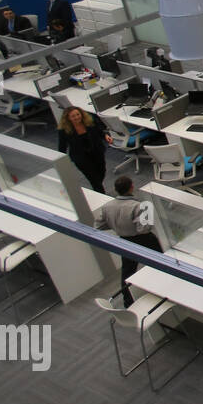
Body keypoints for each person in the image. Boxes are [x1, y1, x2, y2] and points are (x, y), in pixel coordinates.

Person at [94, 175, 162, 306]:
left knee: (128, 270)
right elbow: (143, 229)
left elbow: (98, 225)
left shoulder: (107, 206)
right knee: (162, 260)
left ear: (115, 189)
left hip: (124, 240)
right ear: (131, 187)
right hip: (143, 239)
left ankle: (127, 300)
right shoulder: (138, 206)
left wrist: (116, 225)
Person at [57, 106, 108, 194]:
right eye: (73, 116)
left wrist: (105, 136)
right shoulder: (64, 130)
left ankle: (98, 188)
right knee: (93, 179)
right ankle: (101, 195)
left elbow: (99, 131)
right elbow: (62, 146)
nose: (76, 117)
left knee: (102, 172)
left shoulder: (89, 122)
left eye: (78, 114)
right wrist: (60, 160)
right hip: (81, 158)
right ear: (68, 118)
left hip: (97, 152)